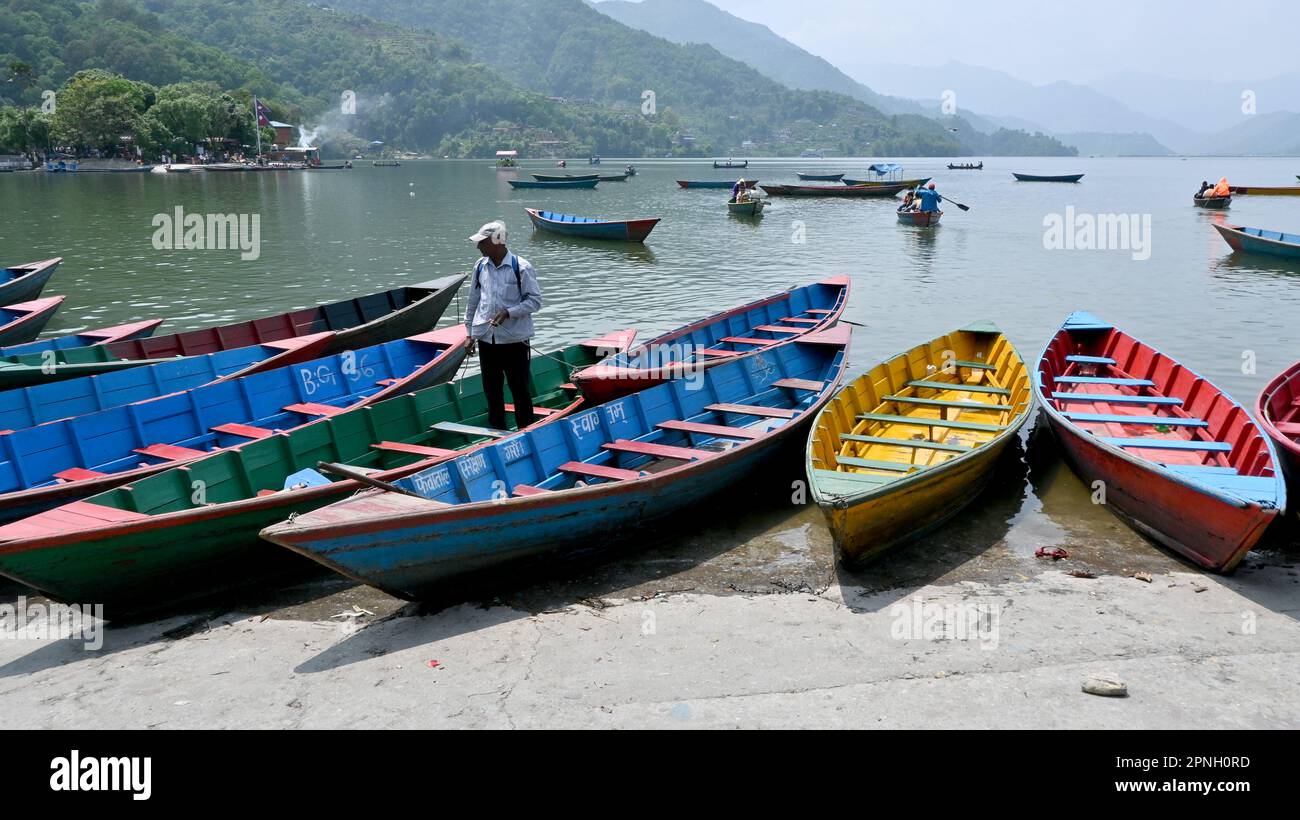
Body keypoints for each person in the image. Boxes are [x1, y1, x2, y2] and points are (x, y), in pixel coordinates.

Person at [465, 221, 543, 432]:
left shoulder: (521, 267)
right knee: (492, 390)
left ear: (496, 241)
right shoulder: (480, 266)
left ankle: (526, 431)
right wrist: (469, 334)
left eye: (482, 242)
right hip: (487, 338)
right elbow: (474, 301)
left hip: (514, 340)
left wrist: (509, 312)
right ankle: (496, 433)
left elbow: (535, 301)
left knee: (520, 389)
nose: (478, 247)